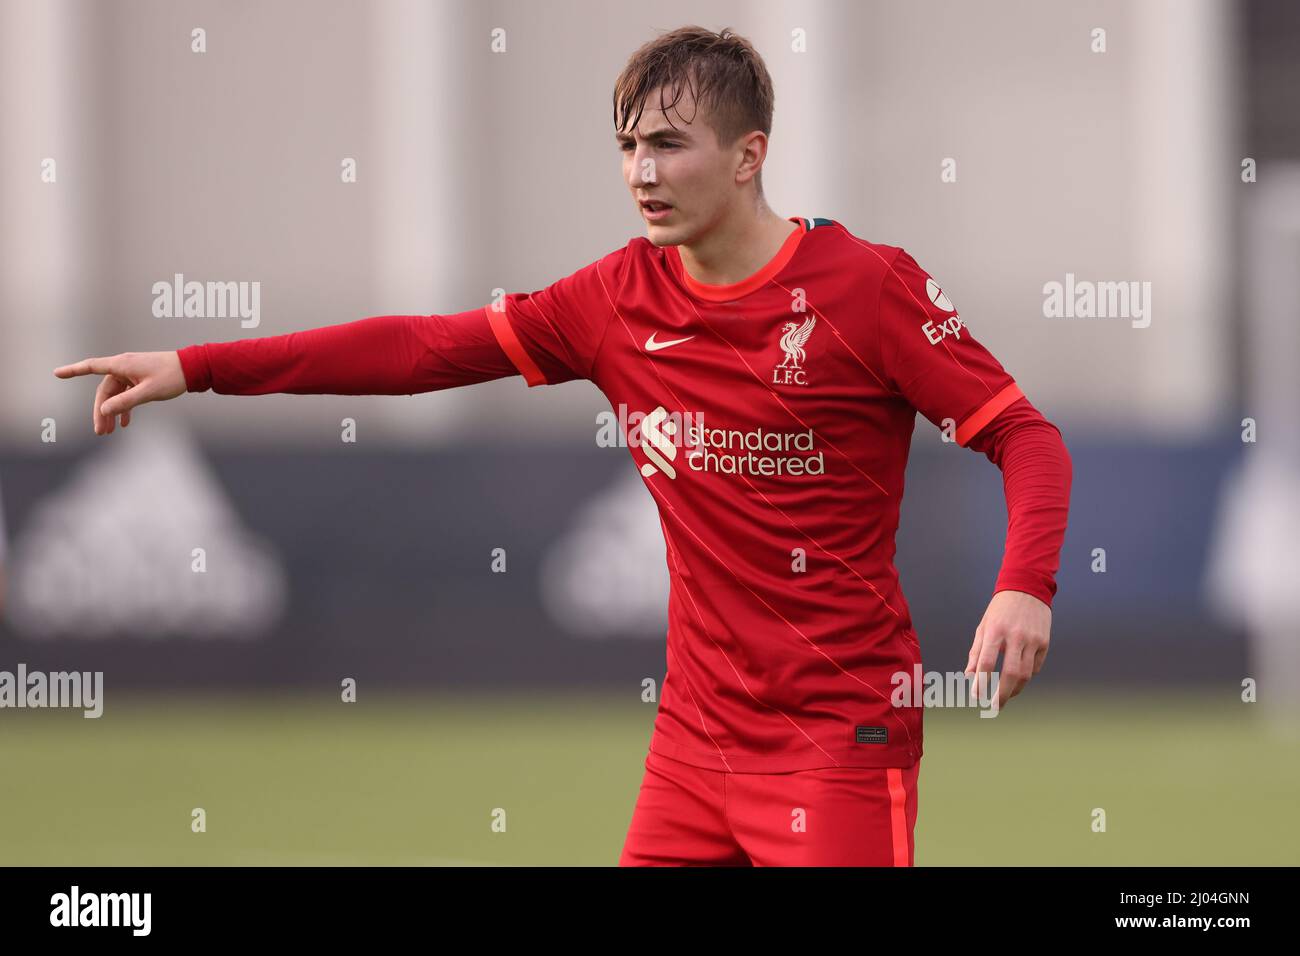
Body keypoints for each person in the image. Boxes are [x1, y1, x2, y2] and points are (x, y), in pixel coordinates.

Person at [54, 25, 1071, 866]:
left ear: (749, 153)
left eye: (670, 143)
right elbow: (421, 348)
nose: (641, 171)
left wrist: (1023, 583)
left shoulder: (865, 287)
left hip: (836, 742)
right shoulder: (612, 299)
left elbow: (1024, 435)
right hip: (693, 743)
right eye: (628, 146)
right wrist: (200, 364)